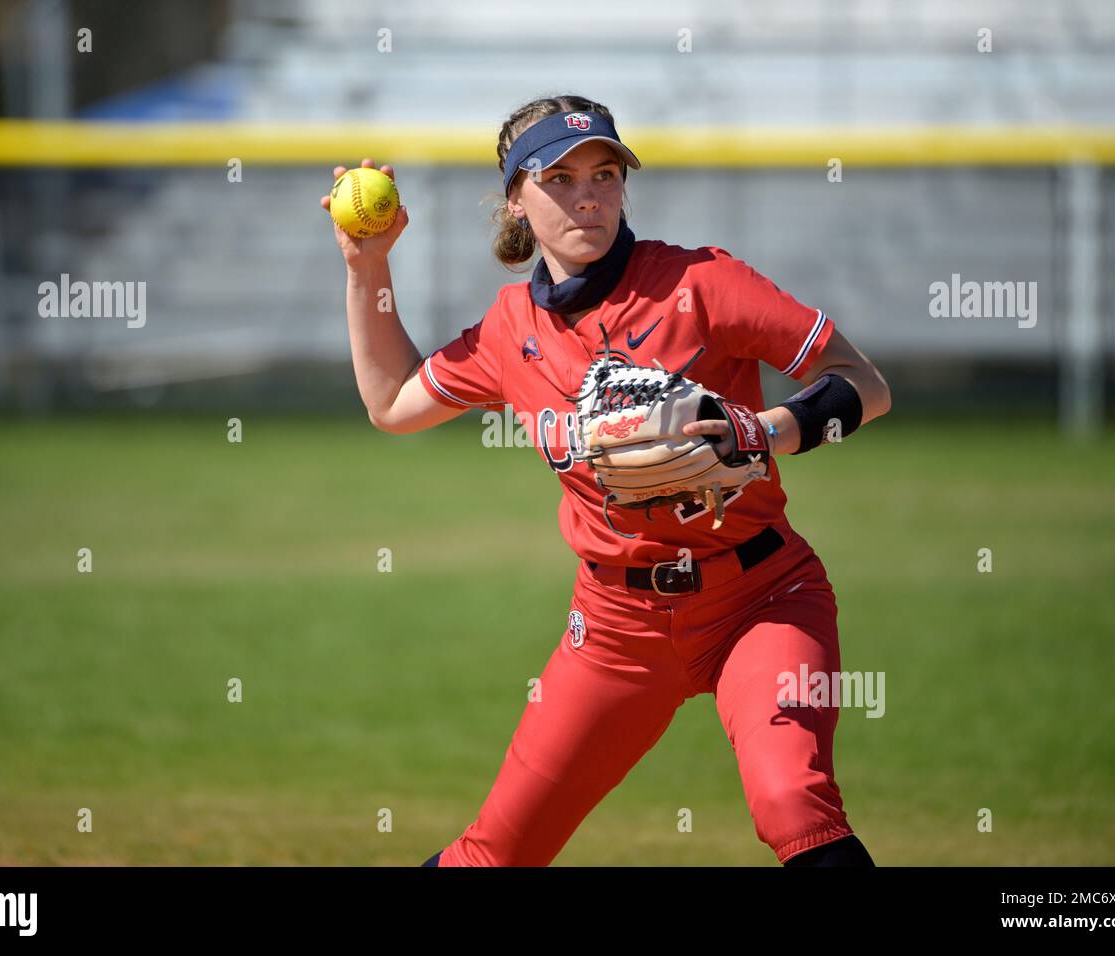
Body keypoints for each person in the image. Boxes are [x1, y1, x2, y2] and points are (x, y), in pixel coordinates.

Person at [322, 93, 891, 867]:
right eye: (558, 178)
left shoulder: (699, 283)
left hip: (759, 596)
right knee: (497, 851)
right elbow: (392, 401)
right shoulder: (509, 329)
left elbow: (864, 381)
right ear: (516, 200)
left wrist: (769, 431)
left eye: (604, 173)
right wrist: (369, 267)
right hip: (616, 629)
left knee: (794, 805)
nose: (588, 194)